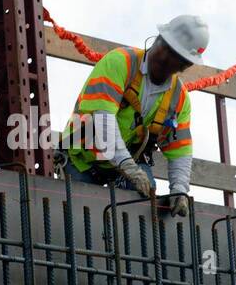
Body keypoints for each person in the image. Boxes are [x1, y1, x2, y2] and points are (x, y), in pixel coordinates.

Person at [59, 15, 207, 216]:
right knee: (78, 220)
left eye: (178, 60)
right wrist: (128, 167)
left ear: (184, 65)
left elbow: (179, 150)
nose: (164, 59)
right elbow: (102, 121)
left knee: (142, 212)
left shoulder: (178, 98)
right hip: (81, 159)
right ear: (158, 42)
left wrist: (179, 190)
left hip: (127, 165)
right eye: (164, 49)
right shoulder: (120, 63)